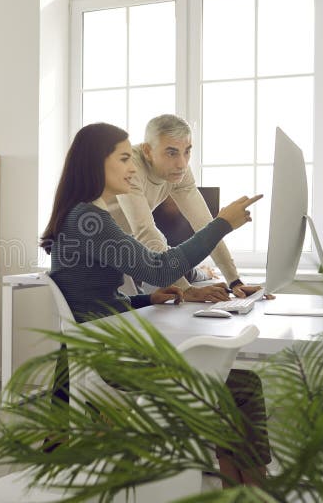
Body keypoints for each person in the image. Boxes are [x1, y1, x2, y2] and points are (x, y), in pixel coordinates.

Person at [40, 123, 270, 487]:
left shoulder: (81, 216)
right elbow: (159, 265)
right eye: (123, 158)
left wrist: (146, 298)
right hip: (114, 362)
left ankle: (242, 486)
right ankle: (251, 487)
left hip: (106, 349)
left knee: (238, 385)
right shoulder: (89, 220)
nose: (133, 169)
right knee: (242, 387)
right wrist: (222, 223)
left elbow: (95, 301)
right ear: (95, 164)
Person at [107, 114, 272, 303]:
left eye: (187, 151)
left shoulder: (179, 172)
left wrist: (235, 282)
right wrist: (185, 289)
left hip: (124, 248)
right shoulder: (129, 167)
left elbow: (206, 226)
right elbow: (145, 231)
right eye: (171, 152)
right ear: (147, 151)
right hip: (92, 250)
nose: (182, 164)